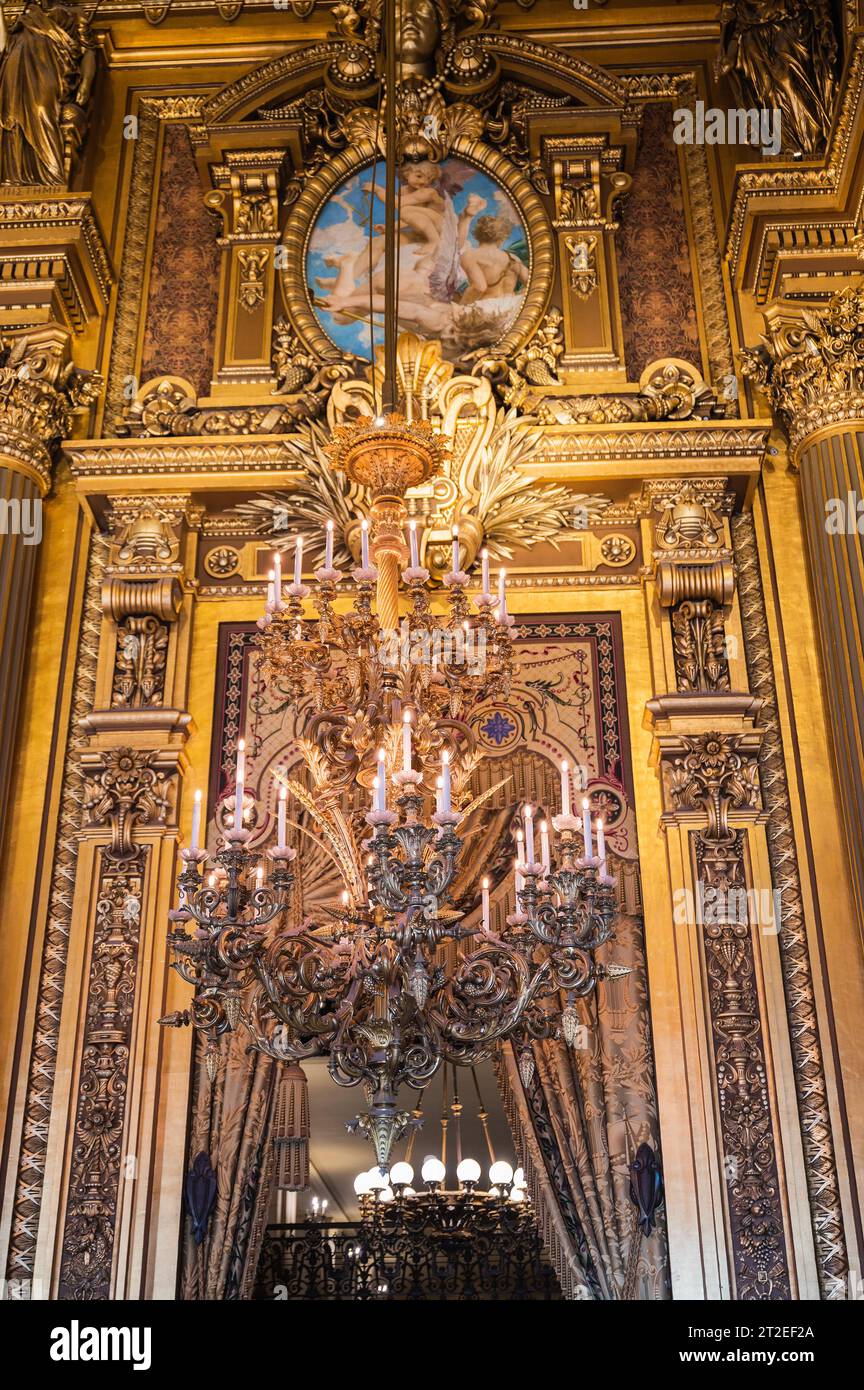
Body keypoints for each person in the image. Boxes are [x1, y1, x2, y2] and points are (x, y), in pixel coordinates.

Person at [0, 0, 96, 185]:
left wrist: (85, 83)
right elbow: (4, 47)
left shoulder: (74, 14)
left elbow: (89, 50)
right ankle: (13, 178)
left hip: (50, 70)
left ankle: (51, 177)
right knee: (12, 119)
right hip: (15, 72)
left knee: (42, 110)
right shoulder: (25, 19)